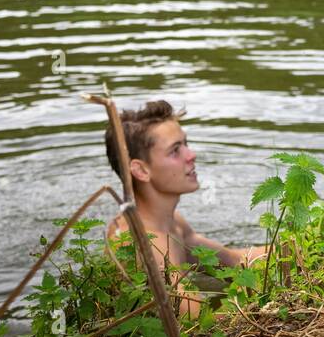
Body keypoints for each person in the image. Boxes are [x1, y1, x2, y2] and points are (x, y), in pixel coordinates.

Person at [103, 100, 269, 317]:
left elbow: (235, 259)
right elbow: (201, 322)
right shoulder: (149, 245)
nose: (191, 155)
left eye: (185, 144)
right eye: (175, 150)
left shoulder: (171, 222)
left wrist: (300, 245)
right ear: (141, 170)